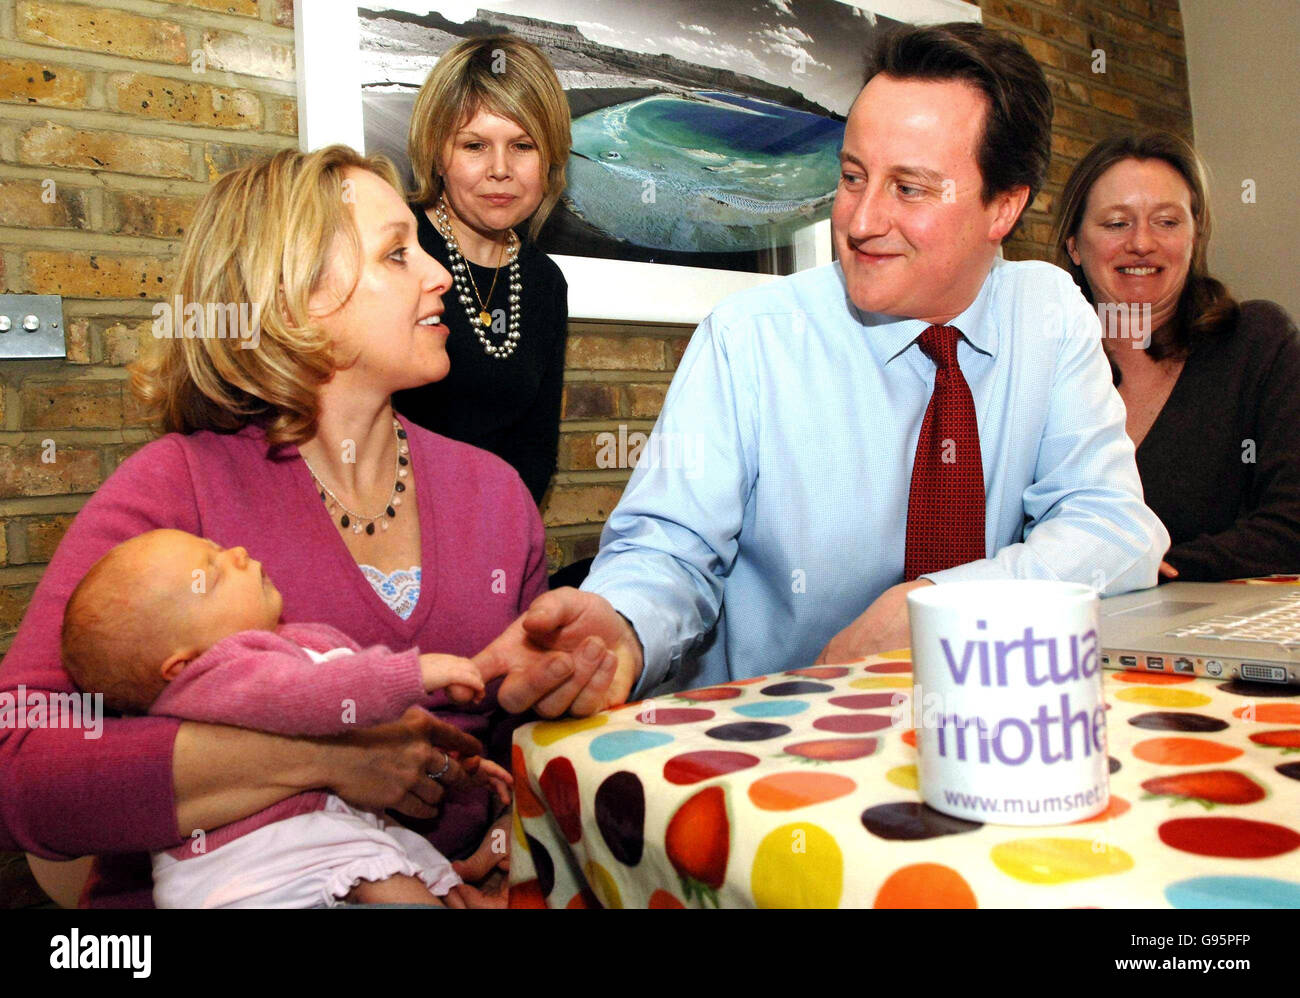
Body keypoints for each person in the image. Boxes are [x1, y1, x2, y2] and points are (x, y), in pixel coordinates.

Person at [475, 22, 1170, 711]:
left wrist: (940, 607)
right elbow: (669, 550)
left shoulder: (1048, 314)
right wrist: (621, 625)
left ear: (1004, 207)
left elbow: (1113, 526)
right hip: (768, 744)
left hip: (982, 726)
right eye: (852, 177)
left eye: (910, 189)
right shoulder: (748, 340)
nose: (861, 221)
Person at [0, 144, 611, 907]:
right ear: (292, 302)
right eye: (397, 254)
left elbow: (485, 763)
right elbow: (21, 765)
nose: (440, 276)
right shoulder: (174, 486)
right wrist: (326, 758)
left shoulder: (495, 496)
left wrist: (511, 803)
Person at [61, 529, 513, 909]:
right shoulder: (221, 676)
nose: (236, 553)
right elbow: (316, 694)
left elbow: (370, 707)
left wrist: (447, 756)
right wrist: (416, 672)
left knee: (409, 873)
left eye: (217, 548)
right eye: (213, 574)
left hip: (324, 847)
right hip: (253, 877)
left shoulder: (292, 641)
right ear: (183, 664)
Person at [1053, 130, 1300, 581]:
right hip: (1050, 629)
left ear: (1194, 235)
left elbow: (1292, 521)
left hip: (1211, 629)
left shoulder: (1257, 343)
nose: (1142, 243)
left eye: (1167, 222)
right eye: (1116, 223)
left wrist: (1155, 572)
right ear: (1074, 244)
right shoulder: (1040, 361)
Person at [393, 35, 571, 509]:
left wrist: (496, 546)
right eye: (474, 145)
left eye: (523, 146)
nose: (500, 169)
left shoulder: (545, 282)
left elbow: (535, 450)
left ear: (550, 157)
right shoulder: (393, 247)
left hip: (496, 542)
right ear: (436, 153)